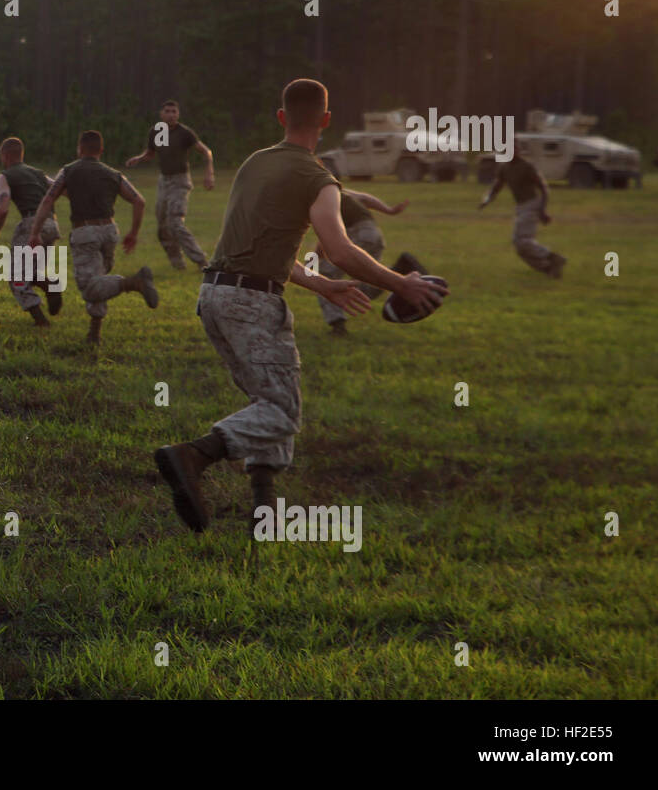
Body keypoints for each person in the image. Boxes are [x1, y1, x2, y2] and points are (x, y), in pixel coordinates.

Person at [153, 79, 448, 532]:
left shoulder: (254, 163)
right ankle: (193, 456)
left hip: (214, 296)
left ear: (281, 117)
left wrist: (323, 287)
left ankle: (264, 509)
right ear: (326, 121)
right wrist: (400, 284)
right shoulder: (319, 179)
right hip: (252, 302)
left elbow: (268, 250)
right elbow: (341, 251)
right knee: (283, 412)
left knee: (266, 400)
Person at [28, 130, 158, 343]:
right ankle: (94, 334)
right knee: (98, 280)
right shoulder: (113, 174)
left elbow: (48, 200)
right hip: (109, 231)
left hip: (85, 232)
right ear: (101, 150)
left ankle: (134, 283)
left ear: (79, 149)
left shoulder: (69, 171)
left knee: (90, 288)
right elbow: (139, 201)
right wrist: (133, 233)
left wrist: (34, 233)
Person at [125, 100, 214, 270]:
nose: (171, 114)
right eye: (168, 111)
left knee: (175, 222)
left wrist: (209, 174)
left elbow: (206, 152)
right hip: (163, 181)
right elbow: (151, 153)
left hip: (180, 181)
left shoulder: (185, 133)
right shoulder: (158, 131)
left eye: (174, 111)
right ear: (161, 114)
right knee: (162, 226)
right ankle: (177, 263)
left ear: (178, 114)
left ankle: (202, 261)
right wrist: (139, 158)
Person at [314, 189, 409, 336]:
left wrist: (313, 261)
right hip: (373, 233)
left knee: (323, 277)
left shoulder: (311, 193)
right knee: (371, 278)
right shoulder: (334, 188)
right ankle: (398, 270)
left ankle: (338, 326)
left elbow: (327, 233)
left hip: (355, 233)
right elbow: (364, 198)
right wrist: (389, 210)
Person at [0, 137, 62, 327]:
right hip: (51, 225)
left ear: (4, 156)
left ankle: (40, 320)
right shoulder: (38, 173)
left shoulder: (5, 175)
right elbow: (59, 188)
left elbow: (3, 208)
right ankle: (50, 286)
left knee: (16, 277)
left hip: (31, 224)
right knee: (29, 272)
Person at [479, 151, 566, 278]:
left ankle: (552, 257)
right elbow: (497, 186)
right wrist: (487, 200)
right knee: (520, 248)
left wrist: (542, 210)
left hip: (531, 204)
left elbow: (543, 188)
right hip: (520, 207)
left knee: (521, 241)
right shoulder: (505, 167)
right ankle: (548, 267)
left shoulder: (527, 166)